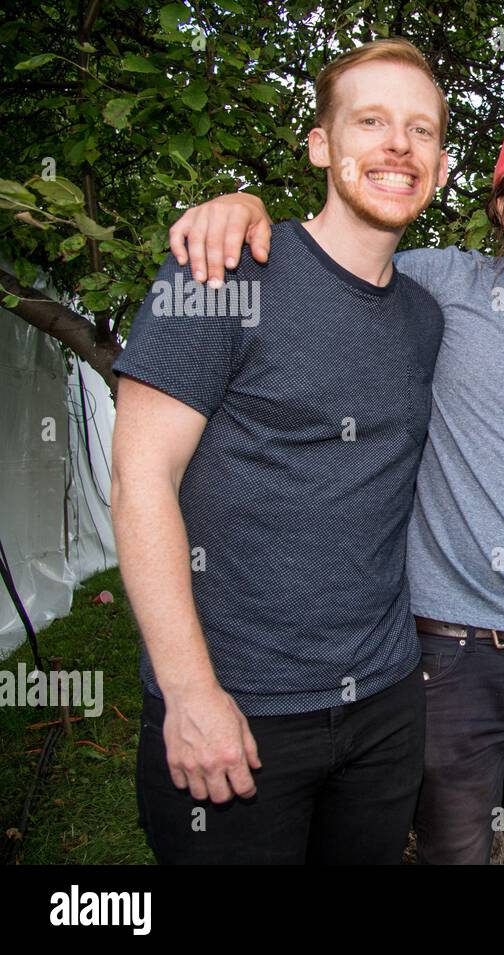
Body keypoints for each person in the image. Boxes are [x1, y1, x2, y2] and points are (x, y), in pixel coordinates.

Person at [167, 120, 504, 864]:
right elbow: (335, 251)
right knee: (452, 854)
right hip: (451, 648)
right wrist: (242, 209)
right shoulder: (438, 281)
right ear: (503, 204)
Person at [112, 38, 450, 863]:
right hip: (235, 714)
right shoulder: (218, 272)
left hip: (384, 708)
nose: (399, 145)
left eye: (422, 130)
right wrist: (191, 694)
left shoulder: (424, 317)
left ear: (440, 165)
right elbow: (138, 478)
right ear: (321, 145)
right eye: (371, 121)